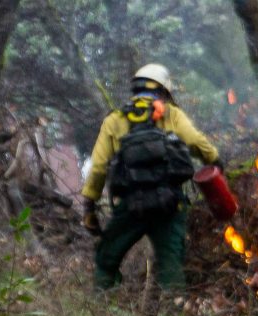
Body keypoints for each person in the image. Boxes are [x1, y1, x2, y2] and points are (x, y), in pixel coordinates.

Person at [82, 63, 220, 290]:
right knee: (170, 264)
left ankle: (102, 312)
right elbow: (195, 142)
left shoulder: (115, 120)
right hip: (169, 204)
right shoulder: (171, 114)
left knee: (106, 260)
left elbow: (98, 167)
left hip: (131, 206)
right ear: (164, 91)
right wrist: (214, 161)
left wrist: (89, 205)